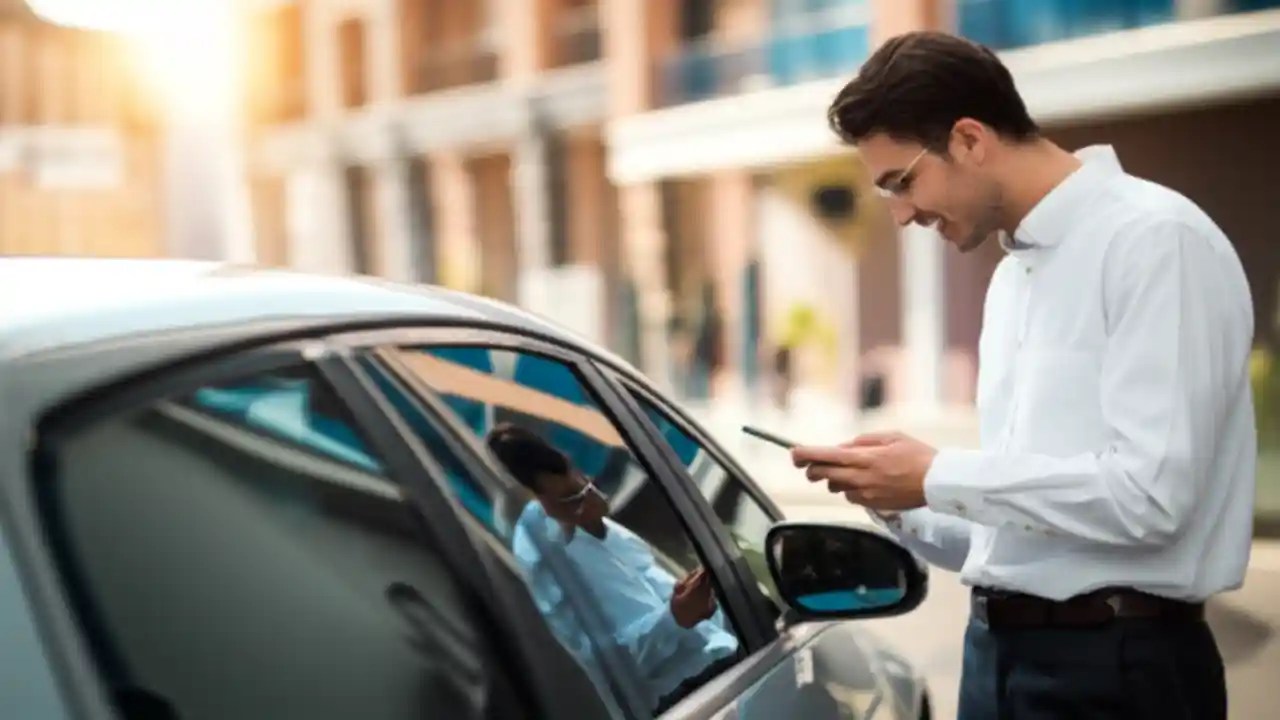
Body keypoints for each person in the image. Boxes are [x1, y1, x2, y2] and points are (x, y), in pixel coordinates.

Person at [791, 31, 1255, 720]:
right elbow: (1020, 535)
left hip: (1119, 673)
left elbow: (1153, 498)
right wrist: (901, 501)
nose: (900, 213)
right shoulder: (1012, 279)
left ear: (971, 139)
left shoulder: (1155, 240)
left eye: (902, 180)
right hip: (997, 662)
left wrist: (938, 475)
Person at [485, 423, 739, 712]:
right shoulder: (544, 559)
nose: (586, 496)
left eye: (579, 482)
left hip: (721, 665)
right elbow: (606, 667)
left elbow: (661, 593)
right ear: (533, 503)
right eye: (570, 500)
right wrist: (675, 619)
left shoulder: (597, 529)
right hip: (680, 700)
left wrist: (690, 602)